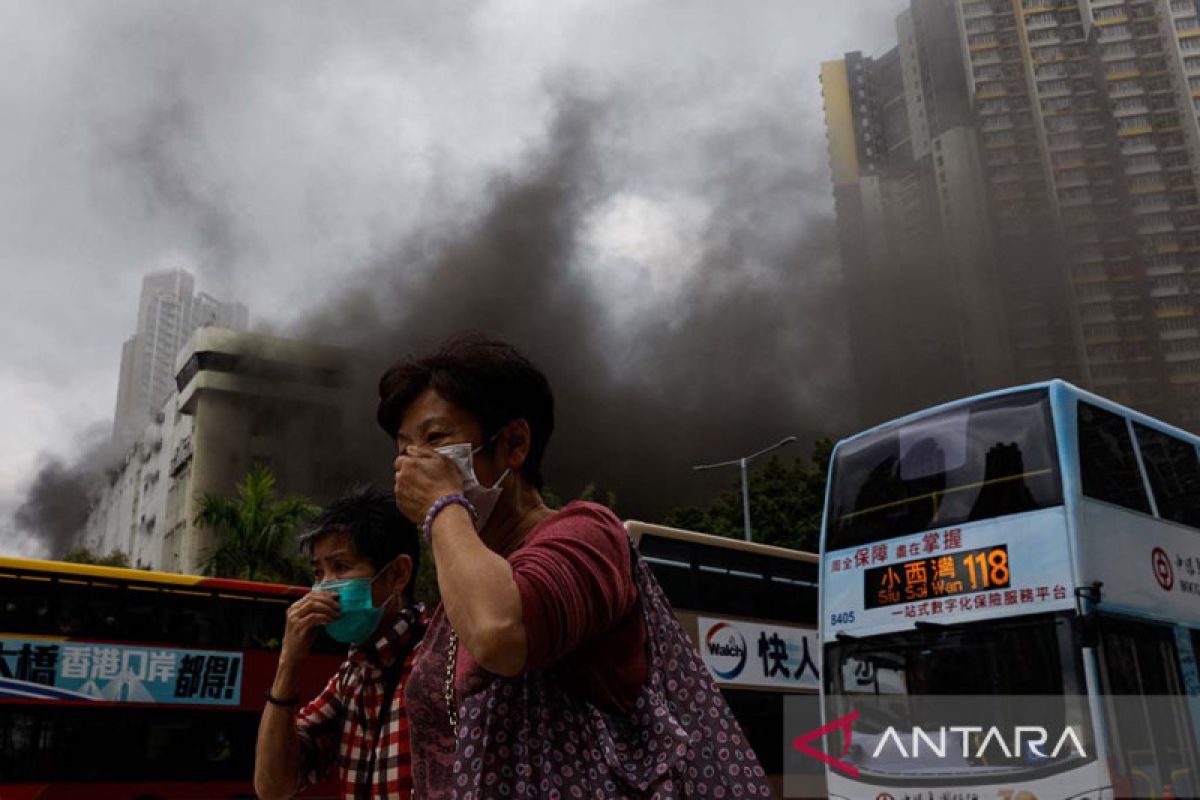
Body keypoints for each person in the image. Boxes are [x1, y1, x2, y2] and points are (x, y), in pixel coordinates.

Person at [381, 335, 771, 798]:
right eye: (405, 448)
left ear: (514, 444)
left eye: (435, 439)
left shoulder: (588, 535)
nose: (412, 464)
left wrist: (444, 505)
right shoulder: (463, 577)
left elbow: (499, 633)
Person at [254, 486, 427, 800]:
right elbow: (273, 785)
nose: (324, 588)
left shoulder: (441, 657)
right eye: (319, 573)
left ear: (398, 574)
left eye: (341, 568)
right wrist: (288, 664)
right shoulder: (352, 677)